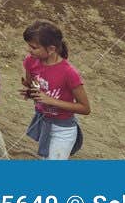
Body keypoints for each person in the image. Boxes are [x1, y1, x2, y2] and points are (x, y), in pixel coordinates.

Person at [21, 20, 90, 160]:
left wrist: (51, 100)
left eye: (34, 47)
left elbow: (85, 108)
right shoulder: (30, 61)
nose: (29, 50)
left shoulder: (69, 73)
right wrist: (30, 91)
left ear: (51, 49)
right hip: (43, 121)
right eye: (28, 46)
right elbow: (34, 85)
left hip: (63, 130)